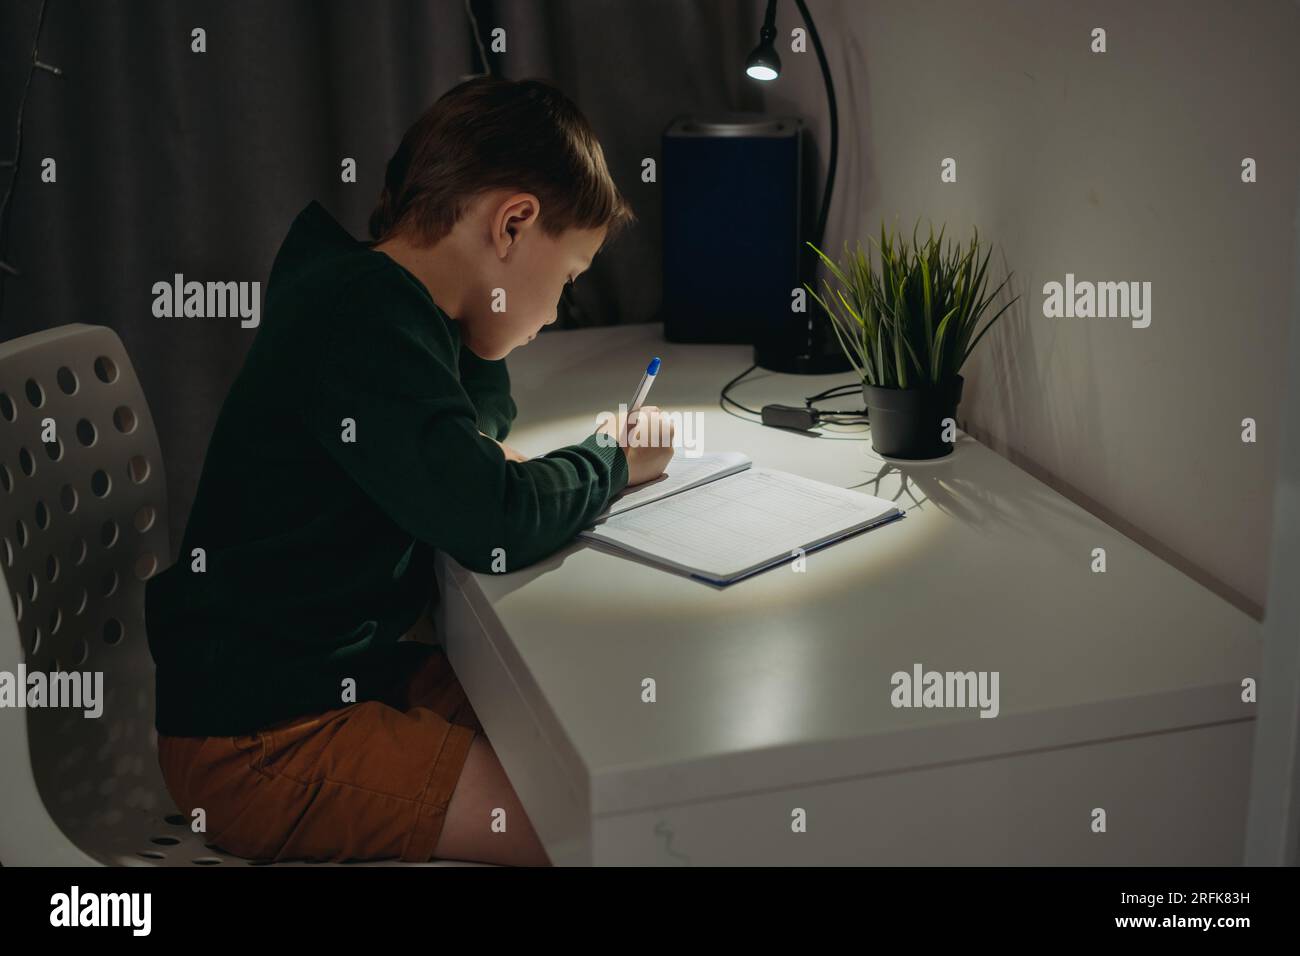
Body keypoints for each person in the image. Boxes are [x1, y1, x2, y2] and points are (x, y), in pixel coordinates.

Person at [146, 76, 676, 866]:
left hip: (333, 677)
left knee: (589, 741)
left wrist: (482, 334)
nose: (561, 309)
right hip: (260, 738)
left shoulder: (381, 301)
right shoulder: (359, 317)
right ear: (514, 223)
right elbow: (492, 517)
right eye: (568, 277)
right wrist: (611, 462)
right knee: (587, 830)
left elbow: (464, 435)